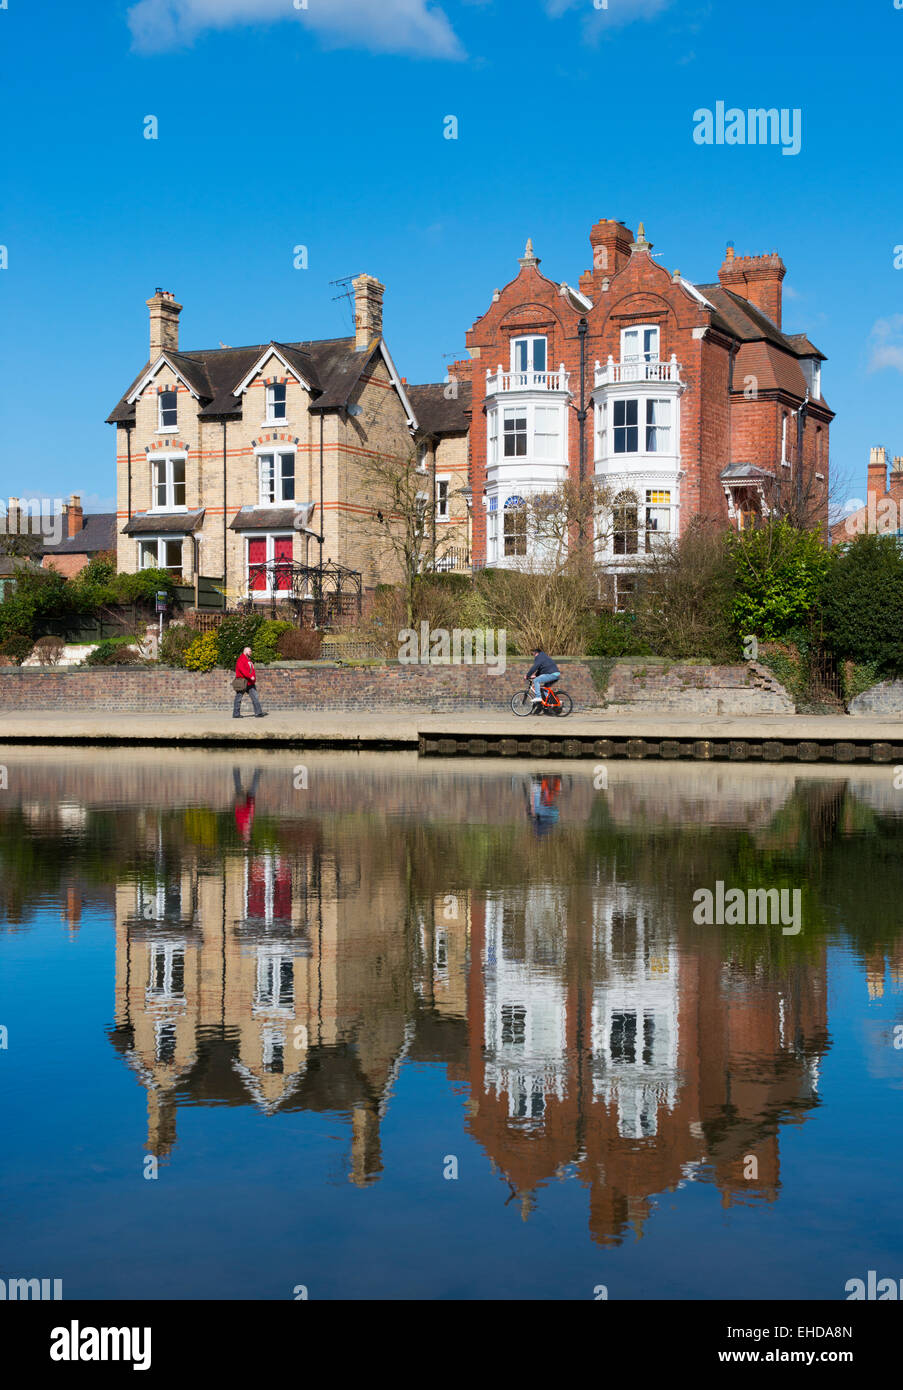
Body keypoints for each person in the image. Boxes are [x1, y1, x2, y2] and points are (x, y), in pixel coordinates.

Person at [233, 646, 267, 718]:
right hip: (243, 682)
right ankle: (236, 714)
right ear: (245, 652)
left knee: (255, 697)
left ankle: (258, 713)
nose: (251, 653)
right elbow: (242, 670)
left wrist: (252, 679)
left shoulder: (248, 659)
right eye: (250, 651)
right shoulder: (241, 659)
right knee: (238, 698)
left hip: (250, 683)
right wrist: (250, 676)